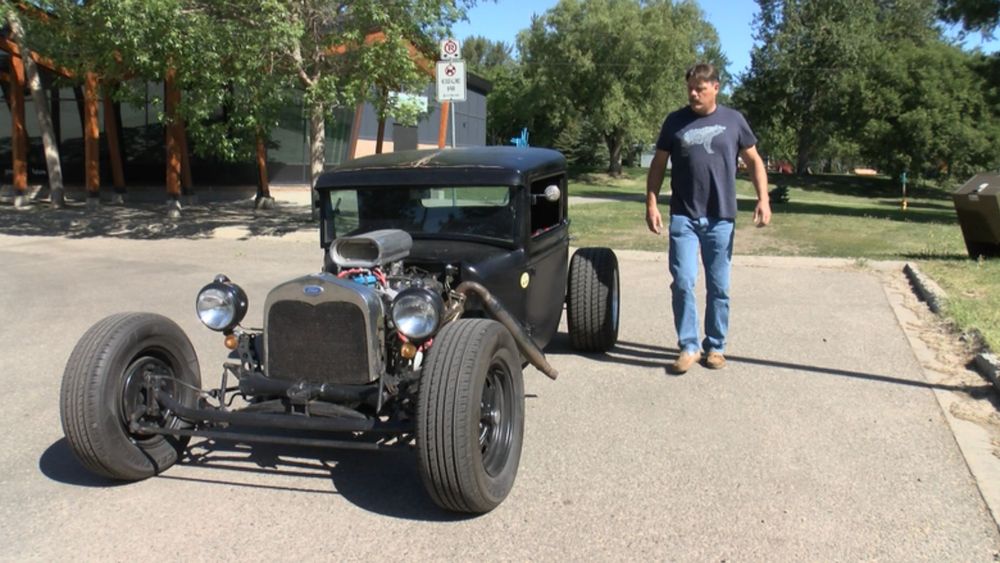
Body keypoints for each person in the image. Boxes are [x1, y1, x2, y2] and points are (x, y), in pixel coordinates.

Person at [645, 63, 771, 374]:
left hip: (721, 216)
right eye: (690, 88)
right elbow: (658, 164)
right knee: (683, 281)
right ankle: (689, 347)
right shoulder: (675, 121)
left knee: (719, 286)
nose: (693, 94)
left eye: (700, 89)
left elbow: (754, 160)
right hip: (684, 216)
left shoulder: (733, 120)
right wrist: (651, 202)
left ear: (715, 87)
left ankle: (715, 347)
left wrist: (763, 198)